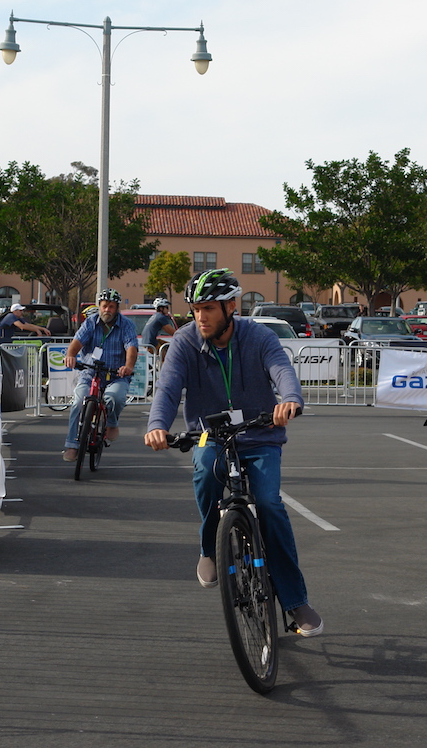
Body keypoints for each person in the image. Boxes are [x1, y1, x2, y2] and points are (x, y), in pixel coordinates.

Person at [144, 269, 322, 637]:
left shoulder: (258, 336)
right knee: (206, 472)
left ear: (231, 306)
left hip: (260, 437)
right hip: (211, 435)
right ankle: (210, 548)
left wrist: (290, 399)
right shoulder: (184, 342)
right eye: (195, 310)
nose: (200, 317)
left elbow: (282, 370)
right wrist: (156, 425)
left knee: (271, 505)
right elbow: (167, 387)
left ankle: (294, 601)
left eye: (208, 308)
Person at [62, 289, 138, 462]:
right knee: (78, 402)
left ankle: (111, 423)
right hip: (89, 373)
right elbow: (77, 342)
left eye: (111, 307)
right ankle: (72, 445)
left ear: (117, 308)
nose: (107, 310)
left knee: (115, 397)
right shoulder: (90, 322)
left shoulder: (126, 325)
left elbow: (131, 348)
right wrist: (71, 355)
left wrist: (128, 366)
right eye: (104, 306)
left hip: (115, 375)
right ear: (99, 306)